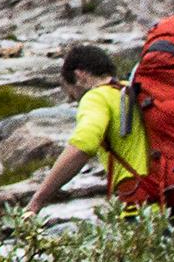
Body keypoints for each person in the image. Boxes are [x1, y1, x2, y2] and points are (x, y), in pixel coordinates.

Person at [24, 43, 148, 215]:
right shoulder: (133, 89)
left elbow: (82, 147)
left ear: (79, 75)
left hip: (141, 205)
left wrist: (37, 201)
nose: (71, 97)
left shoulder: (96, 97)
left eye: (69, 90)